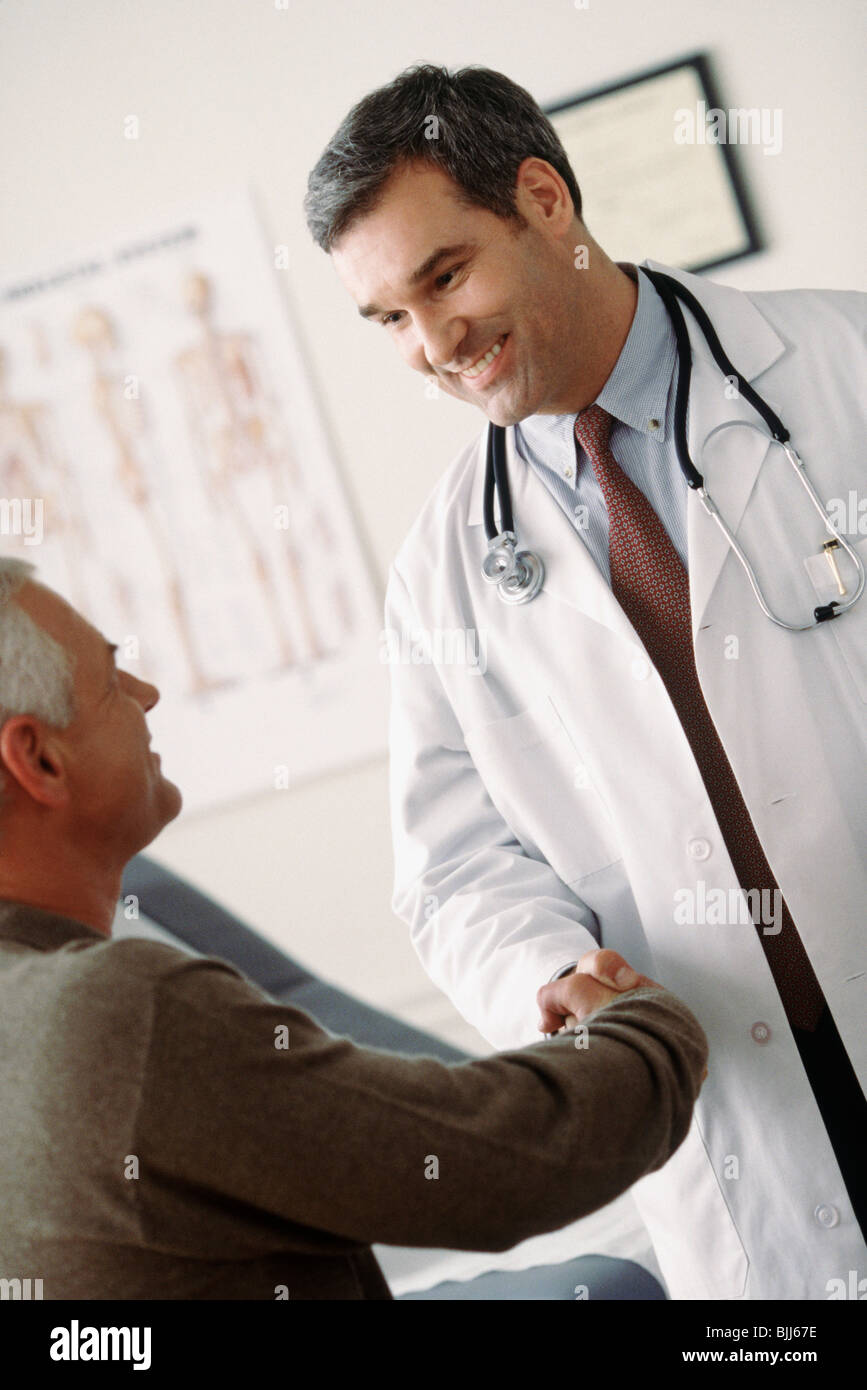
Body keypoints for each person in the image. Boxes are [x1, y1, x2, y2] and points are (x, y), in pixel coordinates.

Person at [303, 62, 867, 1300]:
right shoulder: (442, 572)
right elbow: (453, 866)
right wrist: (545, 974)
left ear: (546, 201)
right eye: (387, 318)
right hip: (743, 1107)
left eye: (445, 276)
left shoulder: (848, 370)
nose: (433, 345)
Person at [0, 556, 706, 1299]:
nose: (148, 694)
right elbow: (500, 1160)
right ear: (39, 758)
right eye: (113, 683)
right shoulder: (115, 1013)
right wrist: (646, 1026)